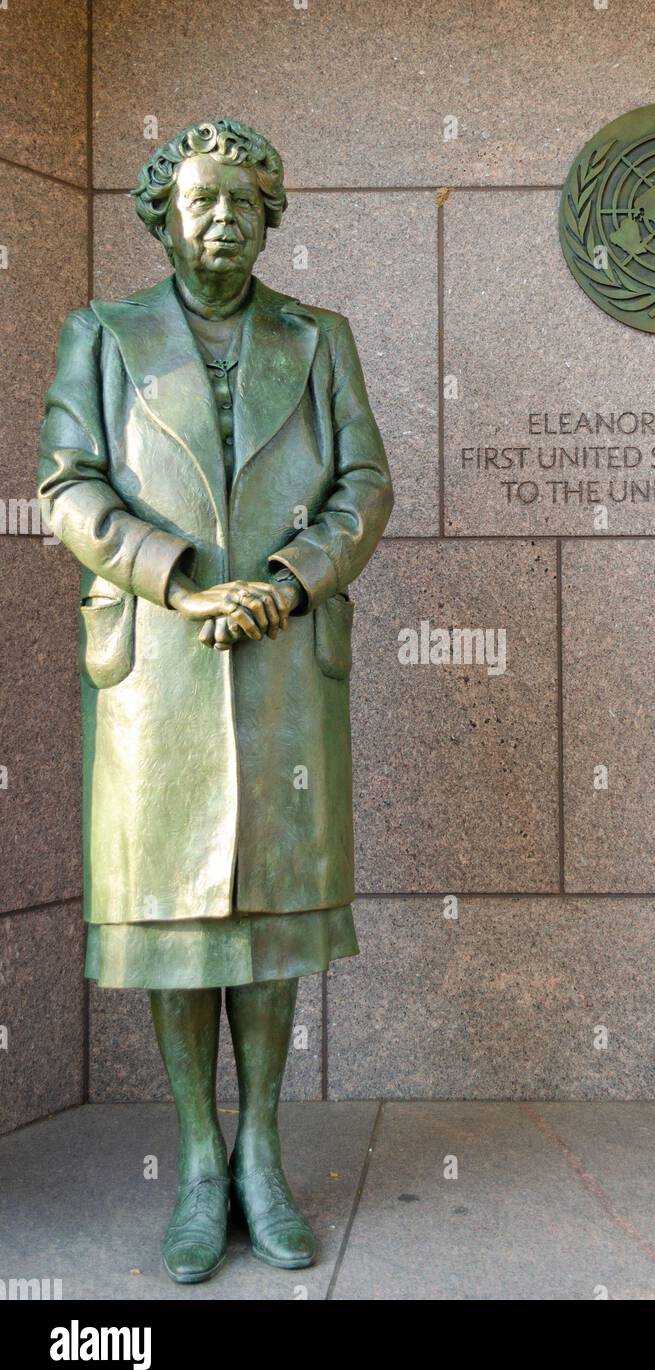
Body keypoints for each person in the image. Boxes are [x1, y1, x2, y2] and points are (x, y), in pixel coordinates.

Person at [38, 119, 393, 1284]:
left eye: (244, 201)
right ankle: (197, 1155)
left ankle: (262, 1153)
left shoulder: (319, 337)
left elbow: (363, 483)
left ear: (269, 212)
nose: (225, 220)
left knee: (273, 912)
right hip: (159, 659)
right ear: (163, 213)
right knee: (179, 910)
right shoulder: (102, 336)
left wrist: (288, 583)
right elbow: (67, 485)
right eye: (202, 202)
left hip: (286, 654)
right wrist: (178, 580)